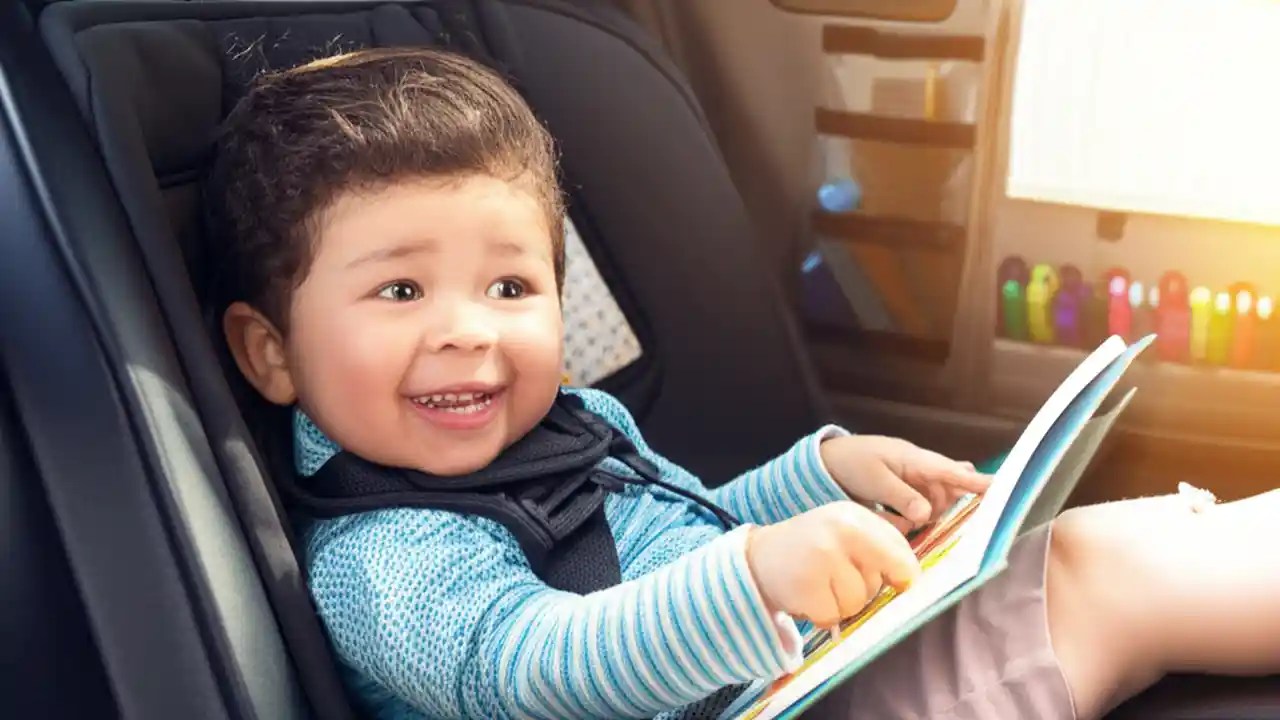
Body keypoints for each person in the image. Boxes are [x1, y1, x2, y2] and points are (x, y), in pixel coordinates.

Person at [207, 47, 1280, 720]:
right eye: (399, 292)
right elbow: (529, 669)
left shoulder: (574, 422)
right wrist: (756, 581)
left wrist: (819, 478)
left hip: (789, 667)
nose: (466, 332)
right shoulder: (380, 554)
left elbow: (693, 520)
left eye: (508, 284)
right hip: (764, 697)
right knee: (1097, 577)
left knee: (1119, 533)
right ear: (272, 353)